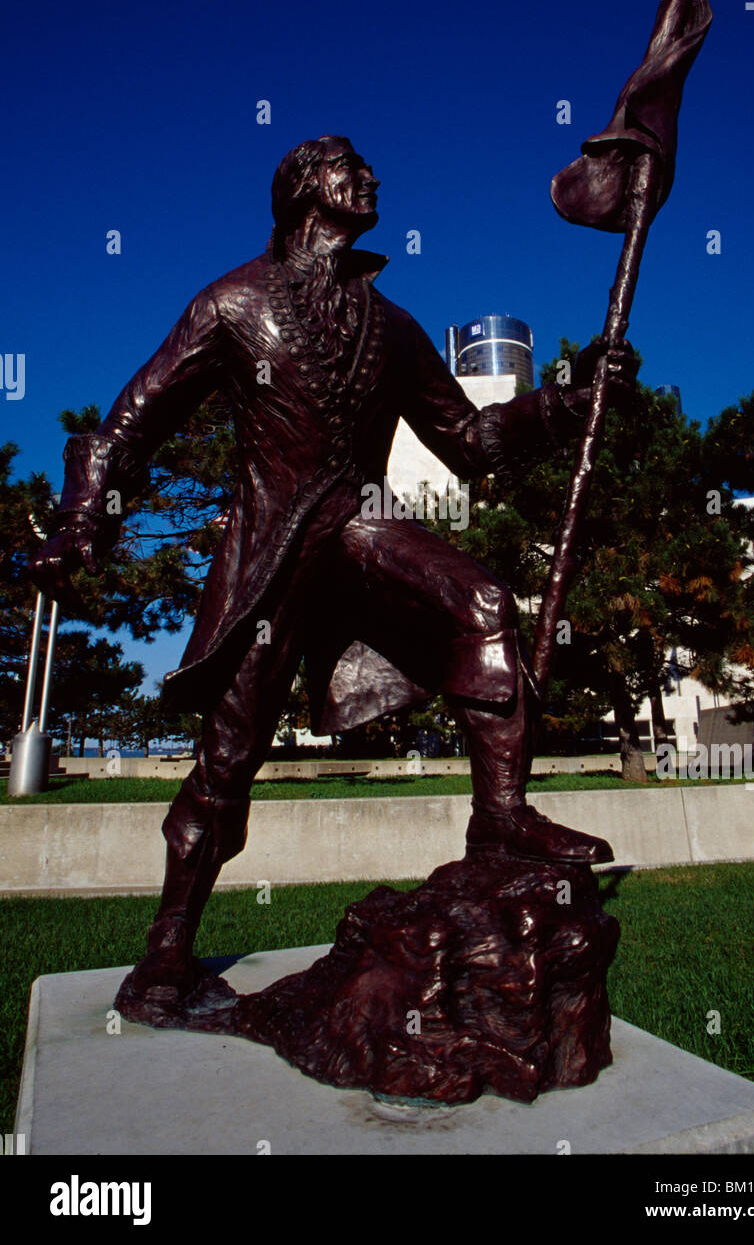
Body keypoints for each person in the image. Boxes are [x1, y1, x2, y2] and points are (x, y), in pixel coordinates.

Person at [31, 135, 637, 1005]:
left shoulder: (394, 327)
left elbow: (467, 441)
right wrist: (81, 518)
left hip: (360, 528)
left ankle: (501, 820)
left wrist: (563, 403)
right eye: (352, 168)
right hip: (269, 556)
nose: (372, 177)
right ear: (305, 189)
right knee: (228, 759)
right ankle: (168, 947)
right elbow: (131, 422)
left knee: (483, 603)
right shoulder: (233, 303)